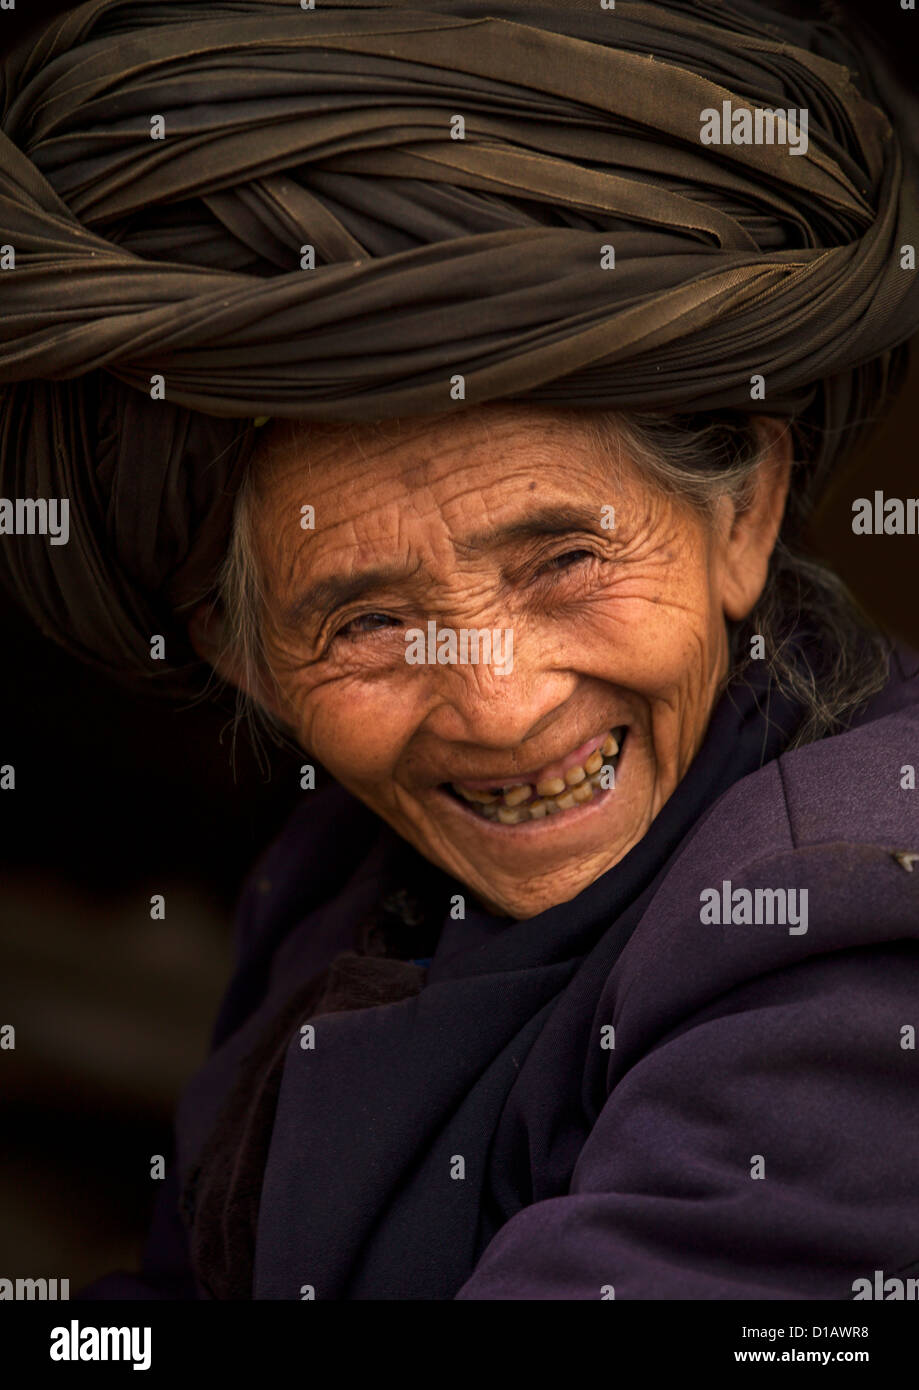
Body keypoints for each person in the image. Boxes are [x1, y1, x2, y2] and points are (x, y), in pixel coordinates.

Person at [1, 0, 918, 1299]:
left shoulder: (844, 943)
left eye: (566, 561)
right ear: (243, 652)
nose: (499, 705)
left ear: (743, 516)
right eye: (367, 621)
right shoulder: (344, 874)